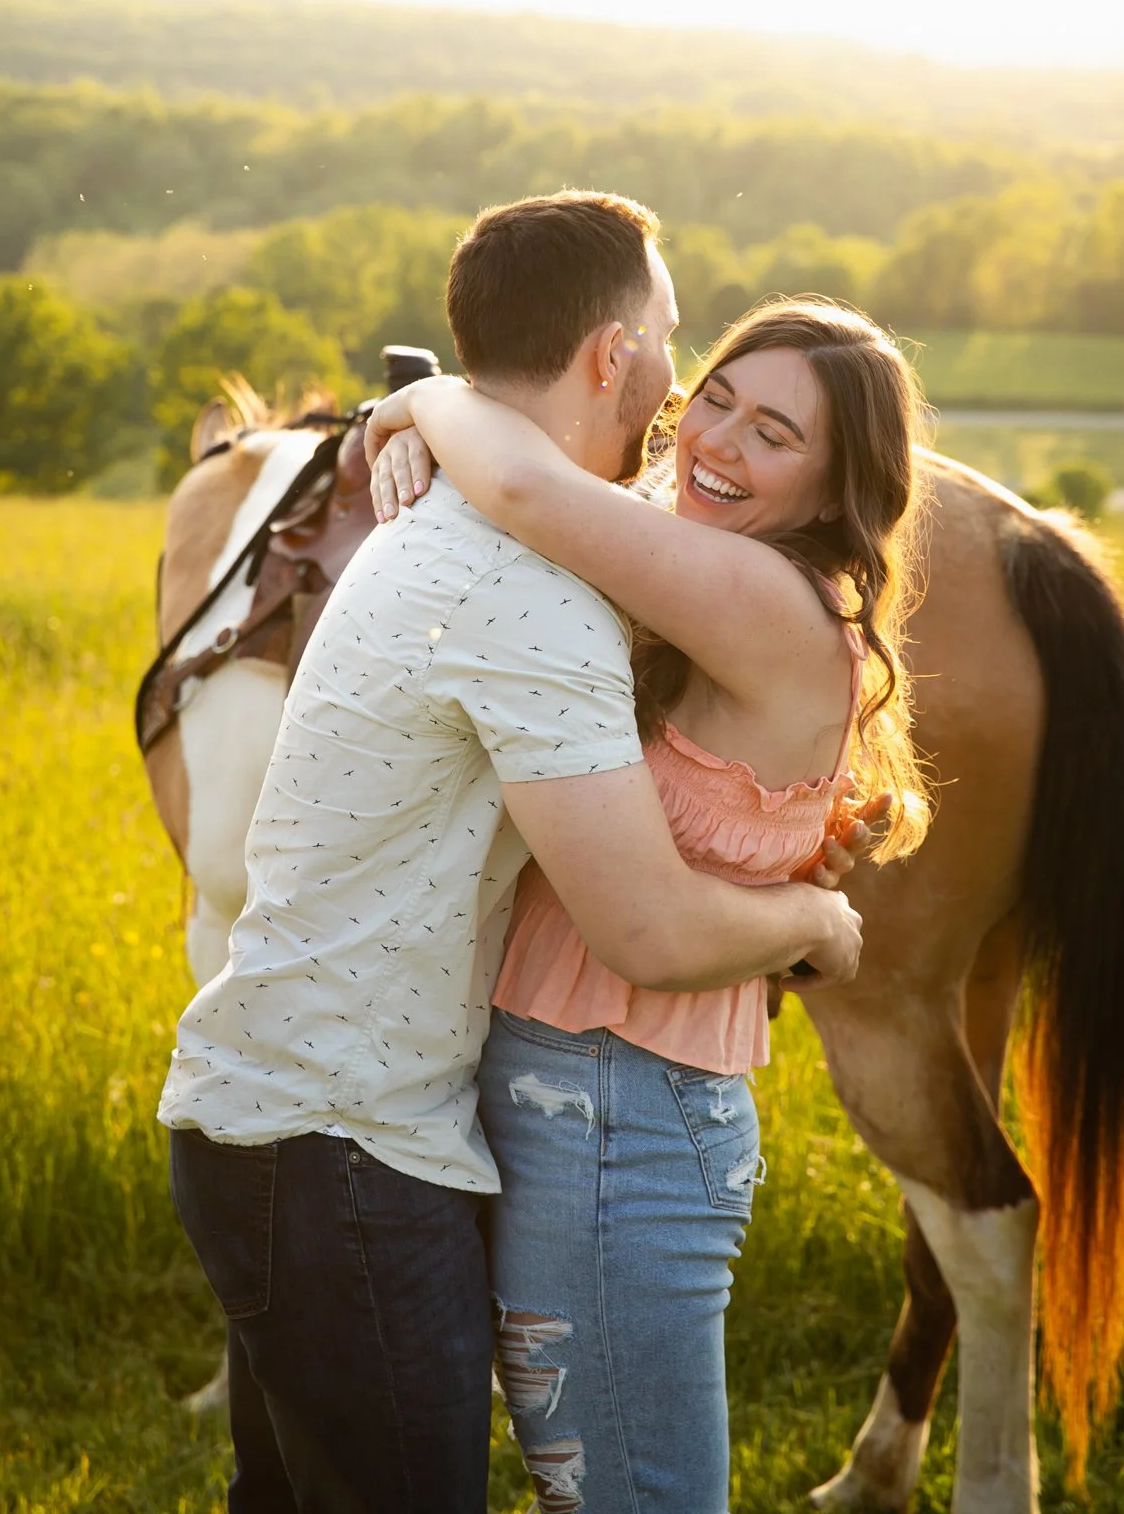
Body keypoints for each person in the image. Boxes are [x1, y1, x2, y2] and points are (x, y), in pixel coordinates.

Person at [158, 195, 865, 1514]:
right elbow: (644, 933)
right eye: (667, 336)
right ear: (611, 358)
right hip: (342, 1151)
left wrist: (415, 411)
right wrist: (814, 929)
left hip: (289, 1121)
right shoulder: (528, 593)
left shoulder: (459, 532)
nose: (676, 378)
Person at [364, 294, 928, 1514]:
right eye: (718, 395)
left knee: (631, 1494)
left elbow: (529, 493)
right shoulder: (707, 583)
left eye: (775, 433)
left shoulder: (763, 600)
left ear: (838, 489)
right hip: (584, 1095)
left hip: (618, 1114)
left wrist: (421, 395)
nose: (719, 439)